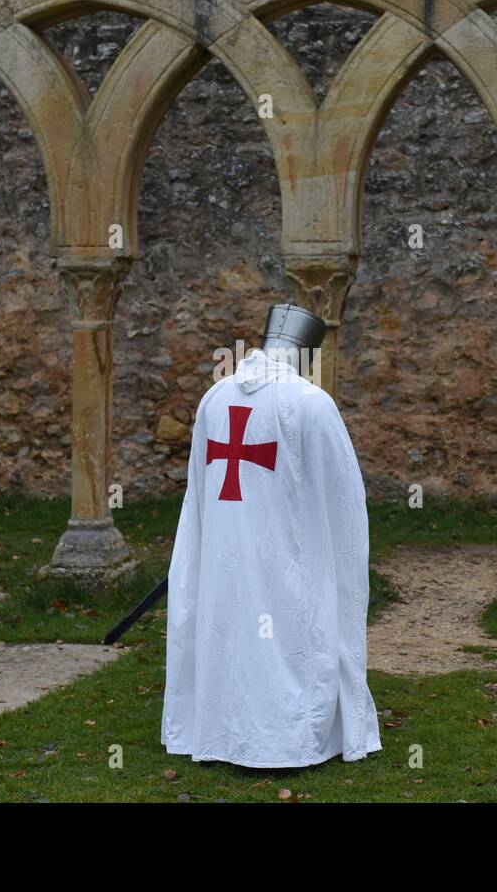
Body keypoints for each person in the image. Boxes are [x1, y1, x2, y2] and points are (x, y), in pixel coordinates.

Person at [161, 304, 381, 768]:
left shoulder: (214, 399)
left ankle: (222, 734)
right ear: (307, 354)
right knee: (288, 632)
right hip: (286, 559)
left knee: (229, 633)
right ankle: (286, 740)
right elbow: (342, 498)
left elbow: (197, 496)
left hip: (223, 553)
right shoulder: (312, 403)